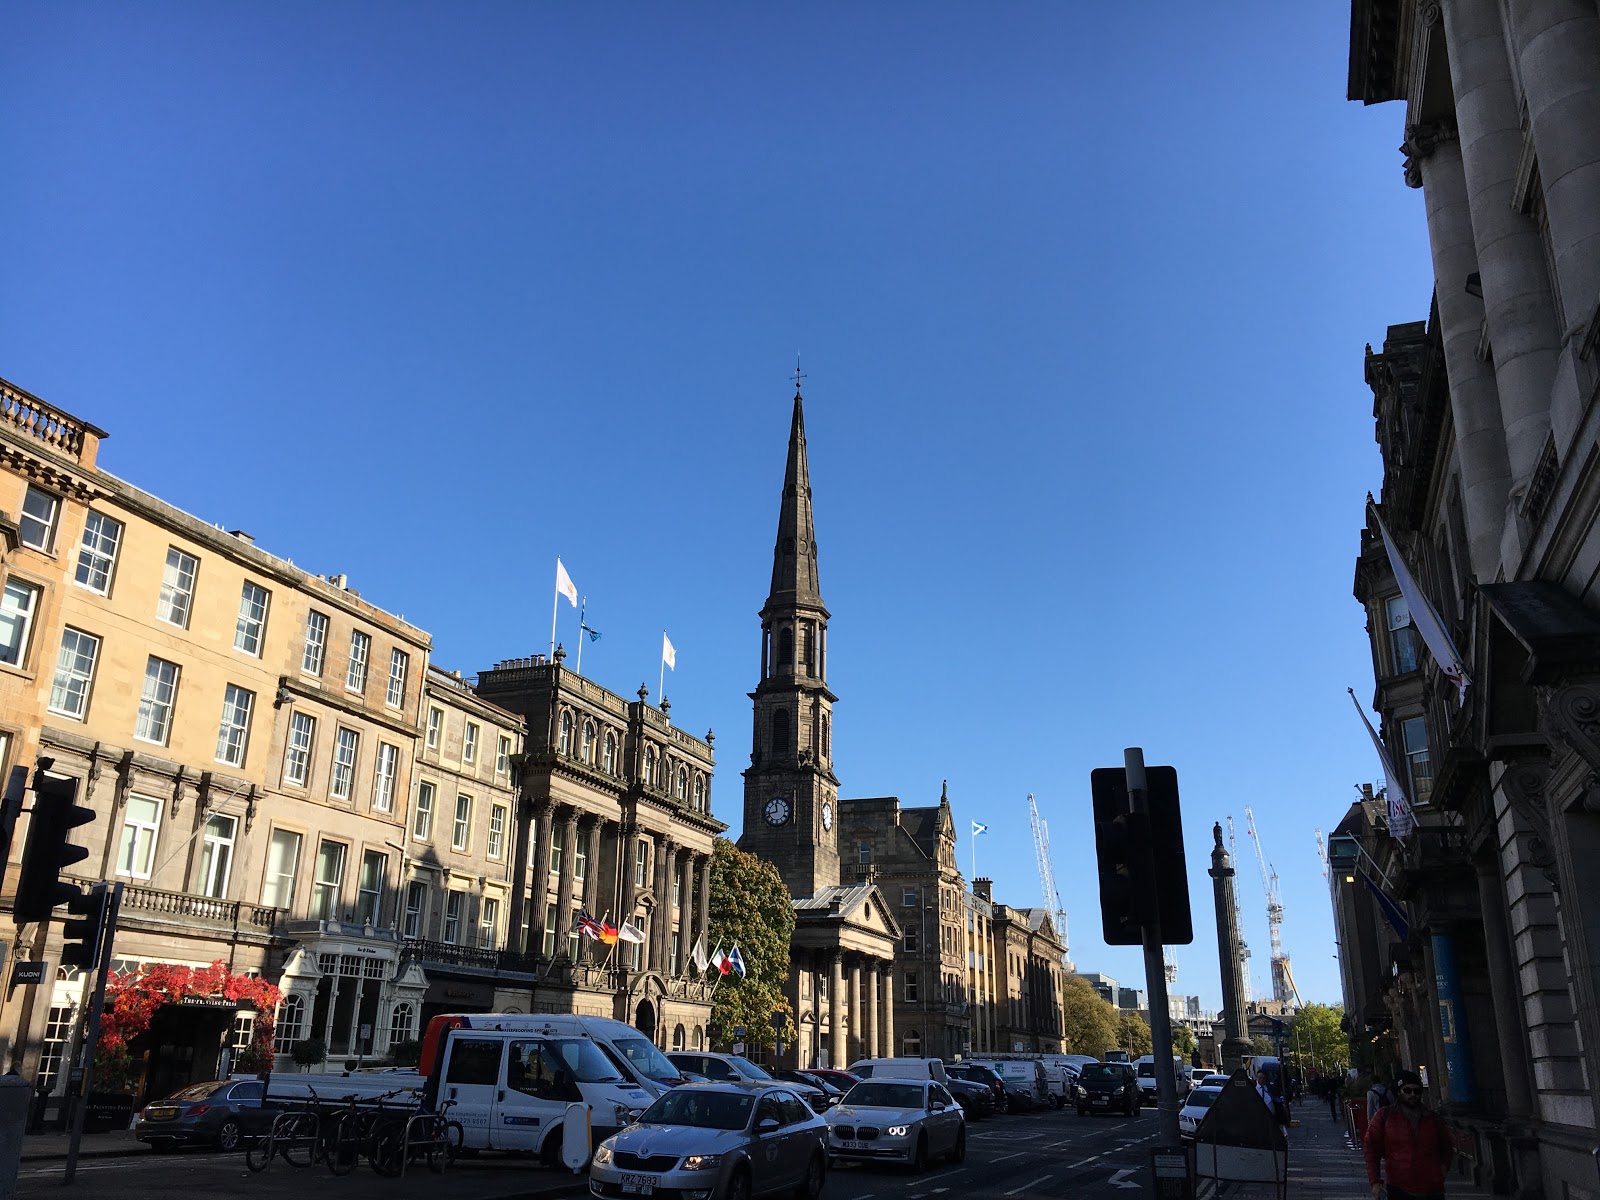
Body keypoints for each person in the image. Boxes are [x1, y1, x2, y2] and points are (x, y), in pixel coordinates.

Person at [1364, 1070, 1454, 1200]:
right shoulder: (1385, 1117)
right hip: (1399, 1189)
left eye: (1417, 1091)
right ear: (1399, 1091)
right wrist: (1375, 1181)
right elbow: (1371, 1148)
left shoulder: (1433, 1119)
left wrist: (1442, 1169)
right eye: (1407, 1090)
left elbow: (1447, 1147)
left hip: (1432, 1190)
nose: (1413, 1094)